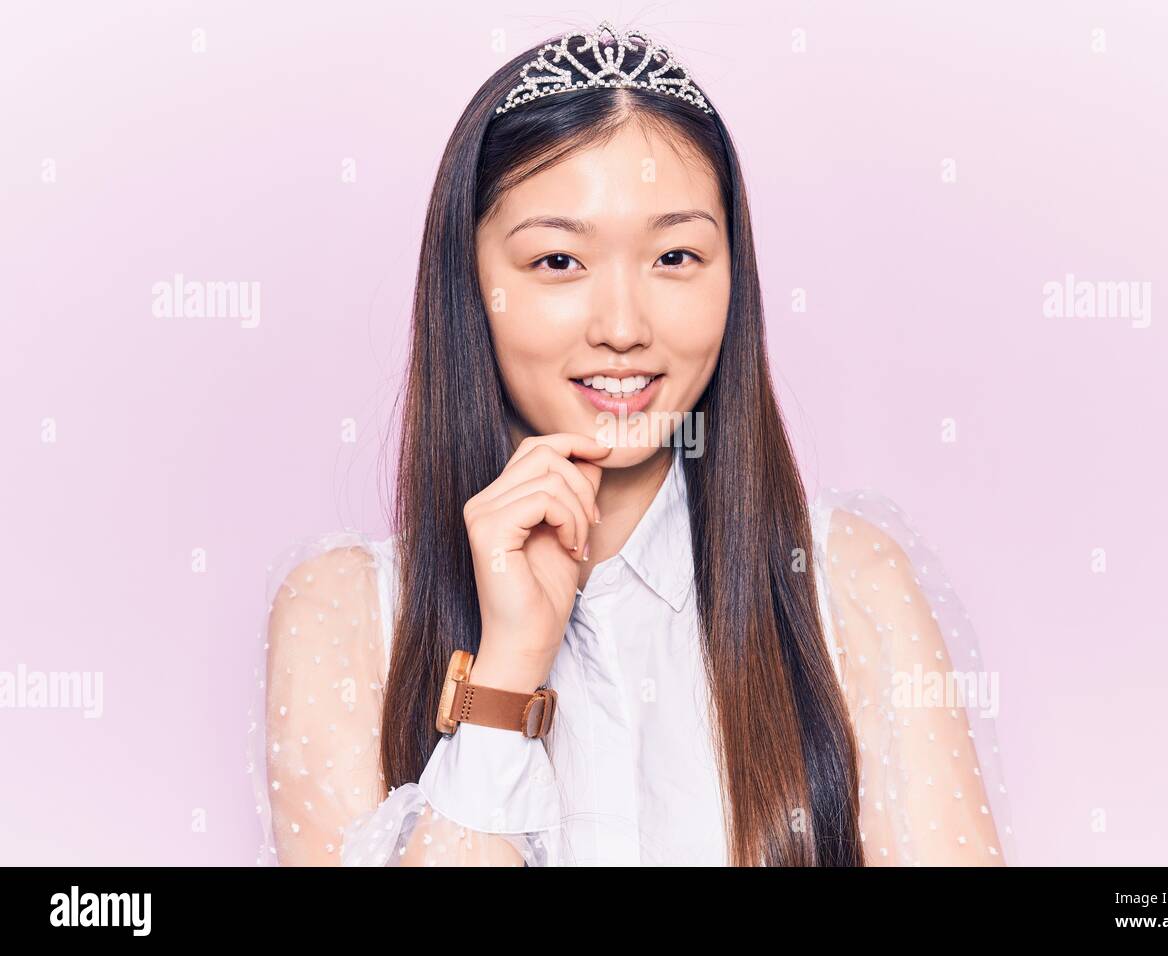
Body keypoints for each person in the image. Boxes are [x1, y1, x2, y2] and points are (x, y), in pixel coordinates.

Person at [246, 20, 1015, 866]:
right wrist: (506, 677)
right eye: (558, 262)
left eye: (676, 255)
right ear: (471, 283)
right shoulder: (347, 616)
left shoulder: (848, 588)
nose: (622, 328)